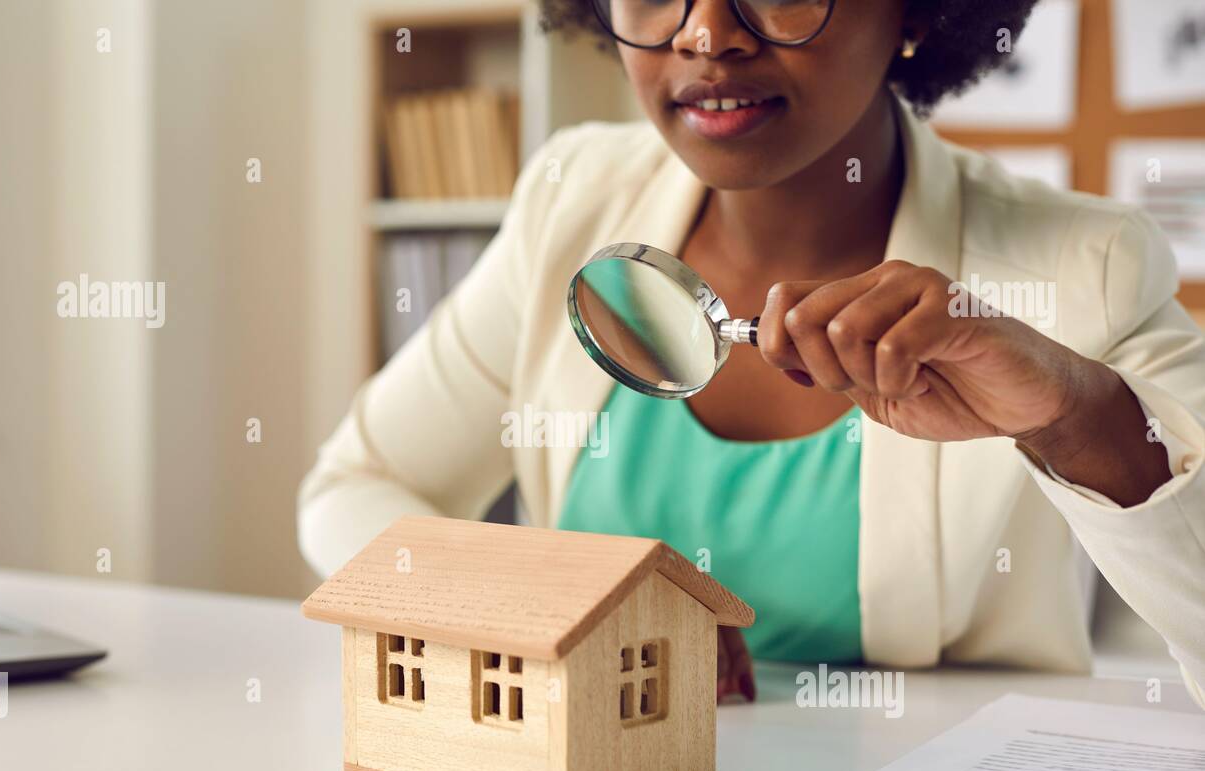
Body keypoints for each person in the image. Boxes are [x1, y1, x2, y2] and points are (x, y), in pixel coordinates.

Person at [299, 0, 1205, 706]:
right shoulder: (571, 201)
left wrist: (1075, 418)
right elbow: (353, 488)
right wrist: (562, 598)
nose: (705, 34)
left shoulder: (1083, 266)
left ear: (918, 13)